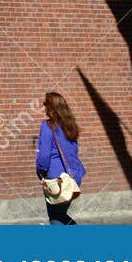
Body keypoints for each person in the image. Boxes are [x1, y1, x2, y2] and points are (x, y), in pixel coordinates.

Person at [37, 91, 86, 225]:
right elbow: (73, 151)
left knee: (55, 217)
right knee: (60, 214)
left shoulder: (47, 126)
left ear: (52, 107)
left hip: (56, 180)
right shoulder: (70, 125)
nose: (44, 107)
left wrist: (41, 172)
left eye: (46, 104)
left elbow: (44, 156)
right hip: (73, 177)